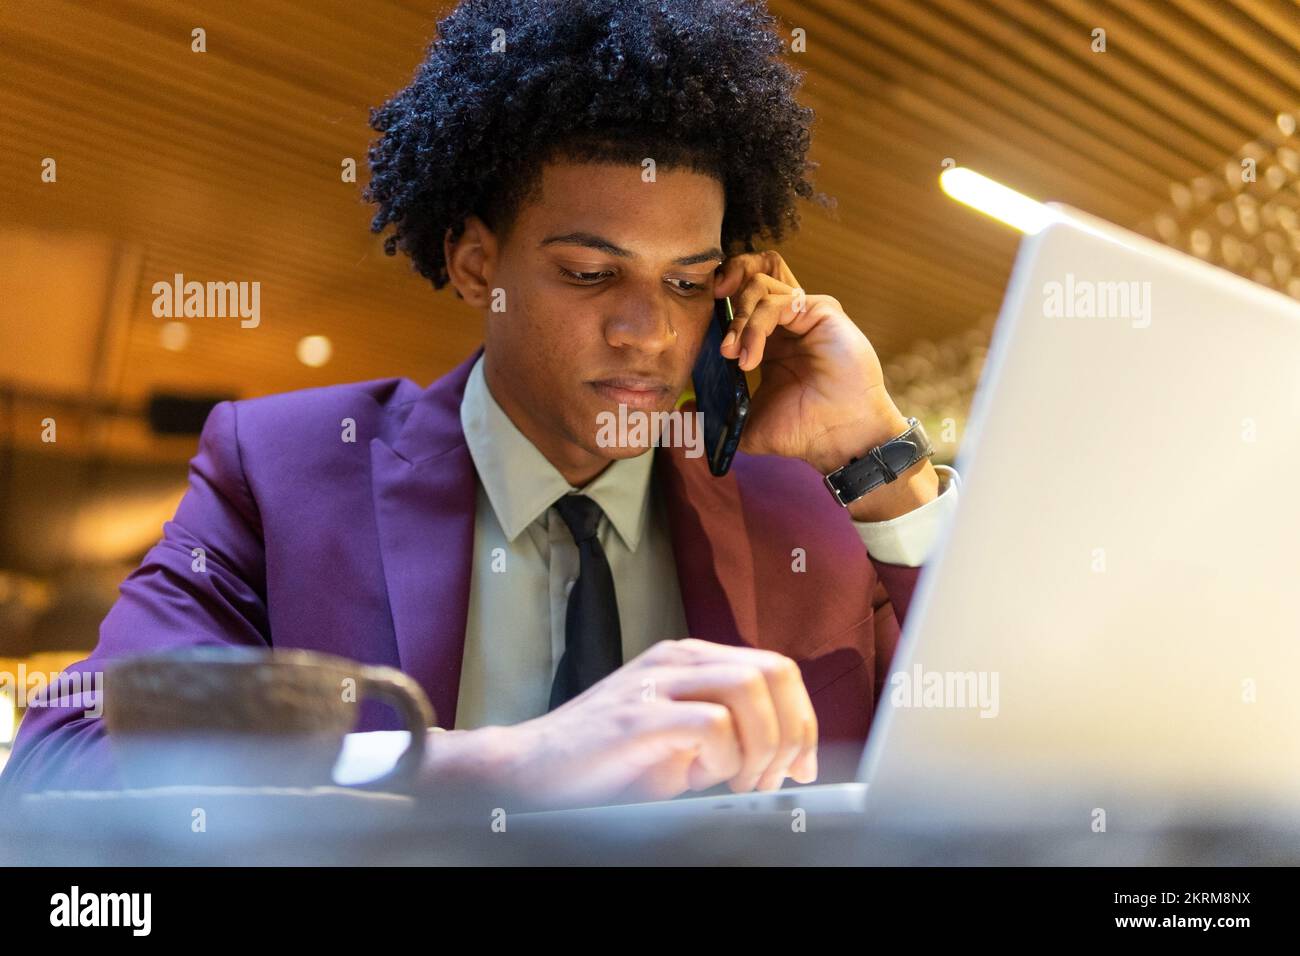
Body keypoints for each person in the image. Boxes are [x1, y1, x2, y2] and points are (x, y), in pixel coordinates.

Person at [1, 0, 959, 810]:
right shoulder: (285, 469)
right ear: (473, 263)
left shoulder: (805, 507)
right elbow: (59, 766)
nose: (648, 332)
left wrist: (878, 460)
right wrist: (493, 763)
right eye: (590, 273)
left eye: (688, 282)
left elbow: (1011, 755)